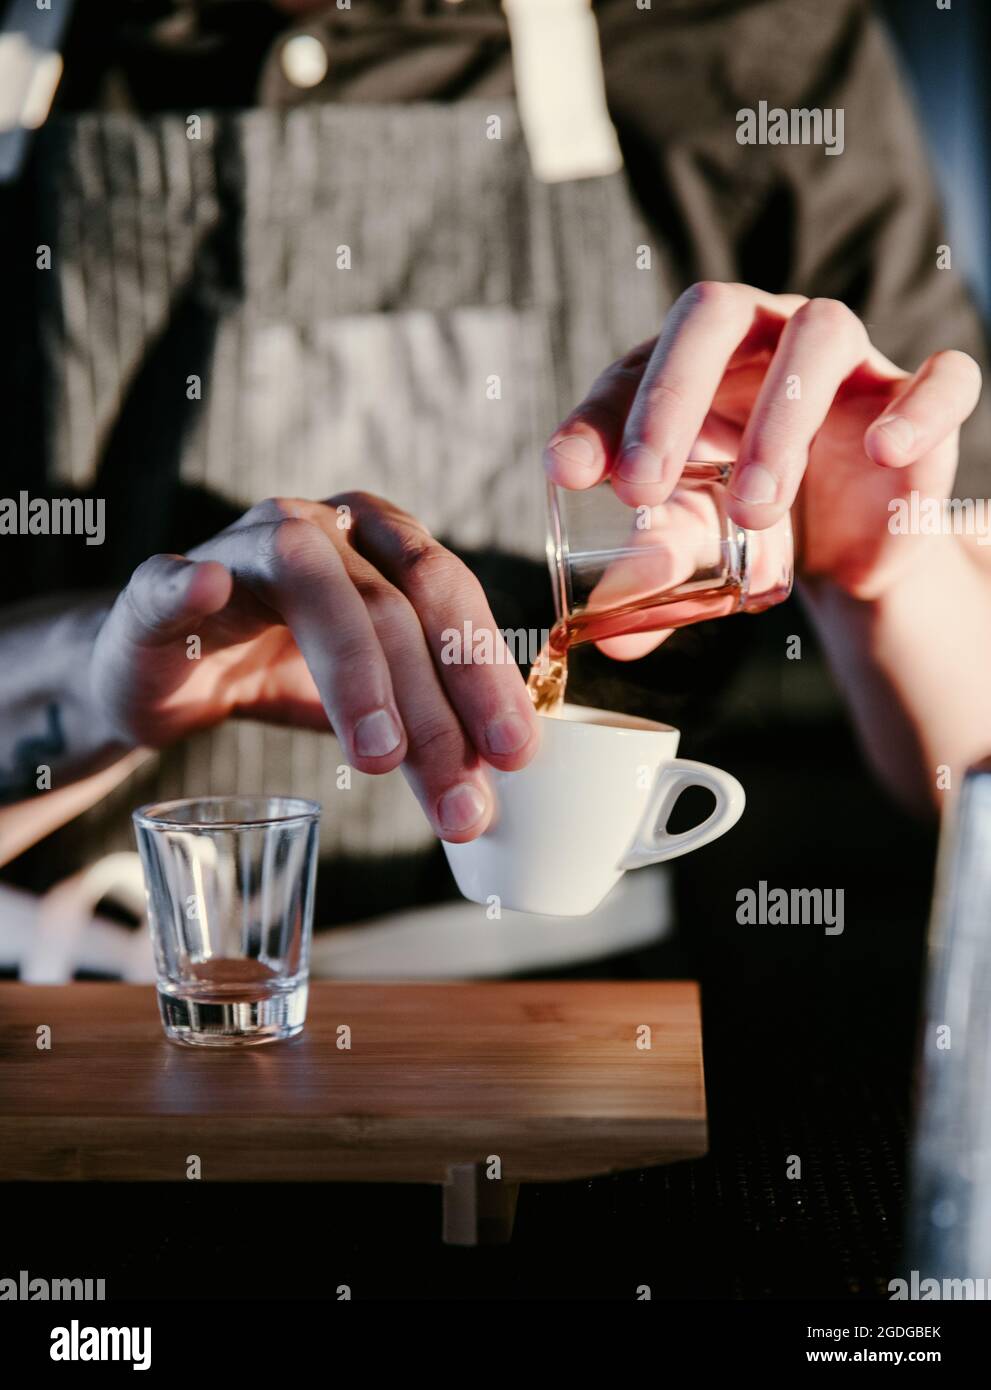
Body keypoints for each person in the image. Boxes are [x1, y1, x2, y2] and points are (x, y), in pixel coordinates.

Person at [1, 0, 989, 910]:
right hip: (70, 1020)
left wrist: (882, 573)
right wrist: (89, 681)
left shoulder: (751, 37)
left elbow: (966, 760)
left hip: (563, 1029)